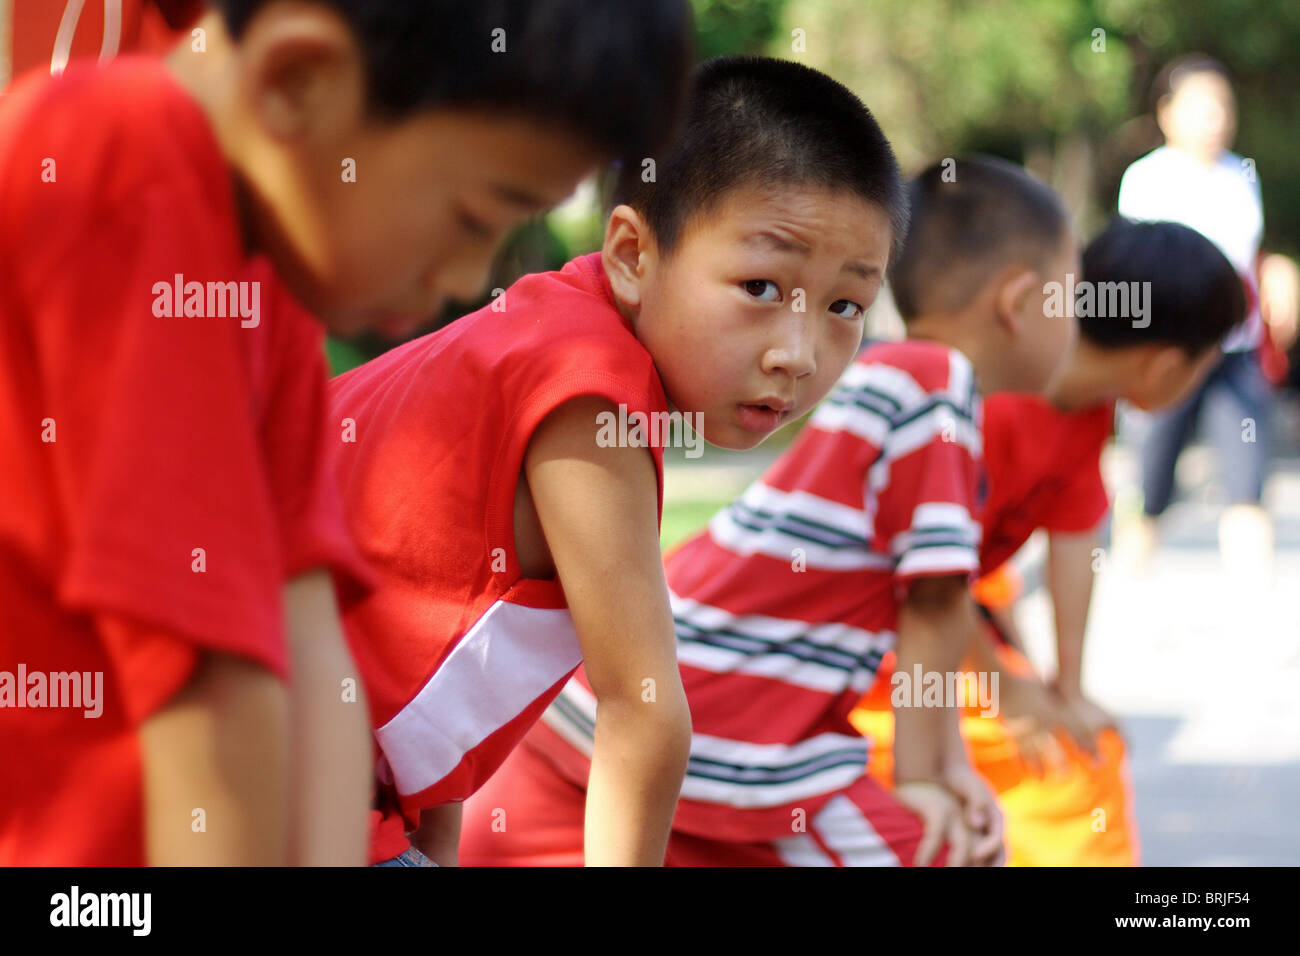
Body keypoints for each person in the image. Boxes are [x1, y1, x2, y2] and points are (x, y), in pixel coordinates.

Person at [0, 0, 692, 866]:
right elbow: (209, 687)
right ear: (300, 79)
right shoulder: (122, 171)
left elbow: (310, 649)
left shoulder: (265, 274)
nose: (465, 279)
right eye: (477, 217)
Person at [331, 55, 908, 867]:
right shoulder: (587, 385)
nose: (798, 353)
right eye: (761, 286)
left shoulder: (546, 338)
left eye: (845, 304)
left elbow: (434, 680)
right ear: (634, 254)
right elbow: (643, 708)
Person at [460, 155, 1075, 867]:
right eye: (1074, 292)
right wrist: (924, 777)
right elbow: (935, 602)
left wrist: (948, 768)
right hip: (729, 733)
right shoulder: (937, 382)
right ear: (1021, 300)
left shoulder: (885, 370)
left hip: (590, 711)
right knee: (950, 852)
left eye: (845, 303)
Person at [852, 218, 1247, 865]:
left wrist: (1068, 685)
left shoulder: (1087, 406)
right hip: (879, 652)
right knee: (1063, 779)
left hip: (942, 633)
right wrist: (1006, 689)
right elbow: (927, 575)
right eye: (1206, 365)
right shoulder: (999, 400)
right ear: (1169, 362)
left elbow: (1074, 538)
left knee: (1080, 747)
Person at [1116, 54, 1298, 584]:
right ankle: (1128, 597)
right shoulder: (1146, 179)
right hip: (1167, 353)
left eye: (1224, 106)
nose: (1216, 118)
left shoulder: (1242, 174)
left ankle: (1256, 613)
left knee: (1248, 483)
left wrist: (1279, 274)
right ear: (1167, 113)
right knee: (1150, 488)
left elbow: (1250, 254)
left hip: (1235, 355)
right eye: (1203, 106)